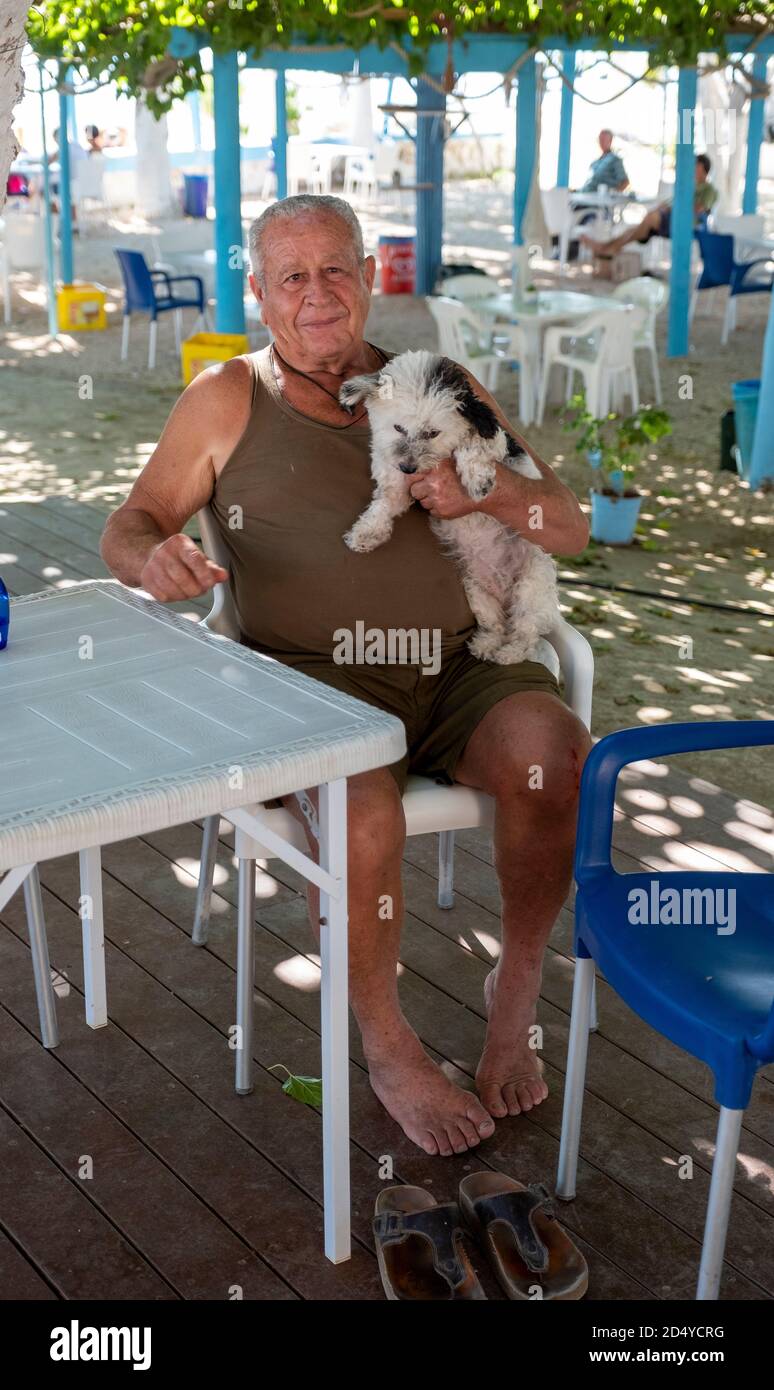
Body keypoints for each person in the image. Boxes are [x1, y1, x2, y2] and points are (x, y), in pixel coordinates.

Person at [101, 195, 591, 1158]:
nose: (318, 294)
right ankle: (386, 1041)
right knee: (361, 804)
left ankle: (515, 991)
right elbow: (133, 520)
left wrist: (495, 492)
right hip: (306, 687)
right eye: (293, 276)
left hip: (457, 668)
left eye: (337, 269)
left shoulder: (434, 381)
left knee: (556, 755)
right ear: (259, 294)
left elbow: (568, 525)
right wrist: (151, 558)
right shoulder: (226, 396)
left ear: (368, 277)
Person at [582, 153, 718, 258]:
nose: (692, 168)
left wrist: (671, 208)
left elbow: (699, 209)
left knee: (648, 220)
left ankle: (609, 248)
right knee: (636, 227)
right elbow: (668, 203)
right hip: (667, 219)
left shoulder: (709, 189)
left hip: (683, 223)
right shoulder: (688, 186)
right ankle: (607, 247)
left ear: (701, 167)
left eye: (695, 165)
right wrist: (662, 208)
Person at [578, 129, 629, 195]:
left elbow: (625, 182)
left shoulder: (615, 159)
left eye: (604, 139)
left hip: (599, 201)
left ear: (610, 141)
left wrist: (612, 195)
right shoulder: (595, 162)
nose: (601, 142)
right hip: (584, 195)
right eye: (600, 139)